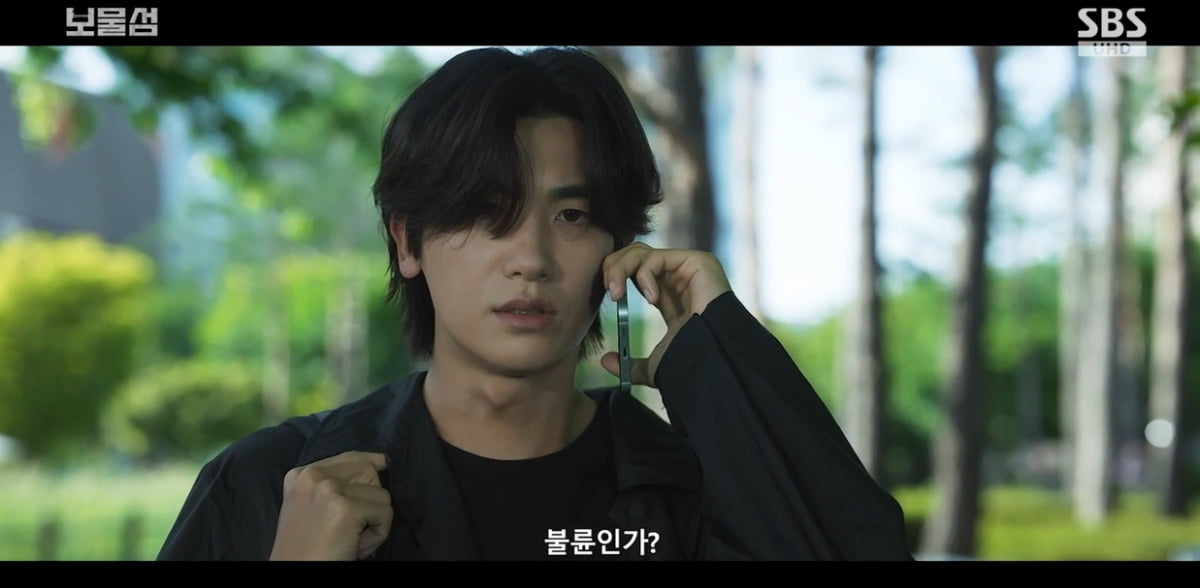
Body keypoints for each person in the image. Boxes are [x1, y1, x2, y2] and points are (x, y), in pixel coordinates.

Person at [157, 46, 913, 561]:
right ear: (406, 243)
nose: (531, 258)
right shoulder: (273, 484)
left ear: (619, 248)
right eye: (488, 211)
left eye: (572, 215)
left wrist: (718, 357)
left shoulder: (690, 491)